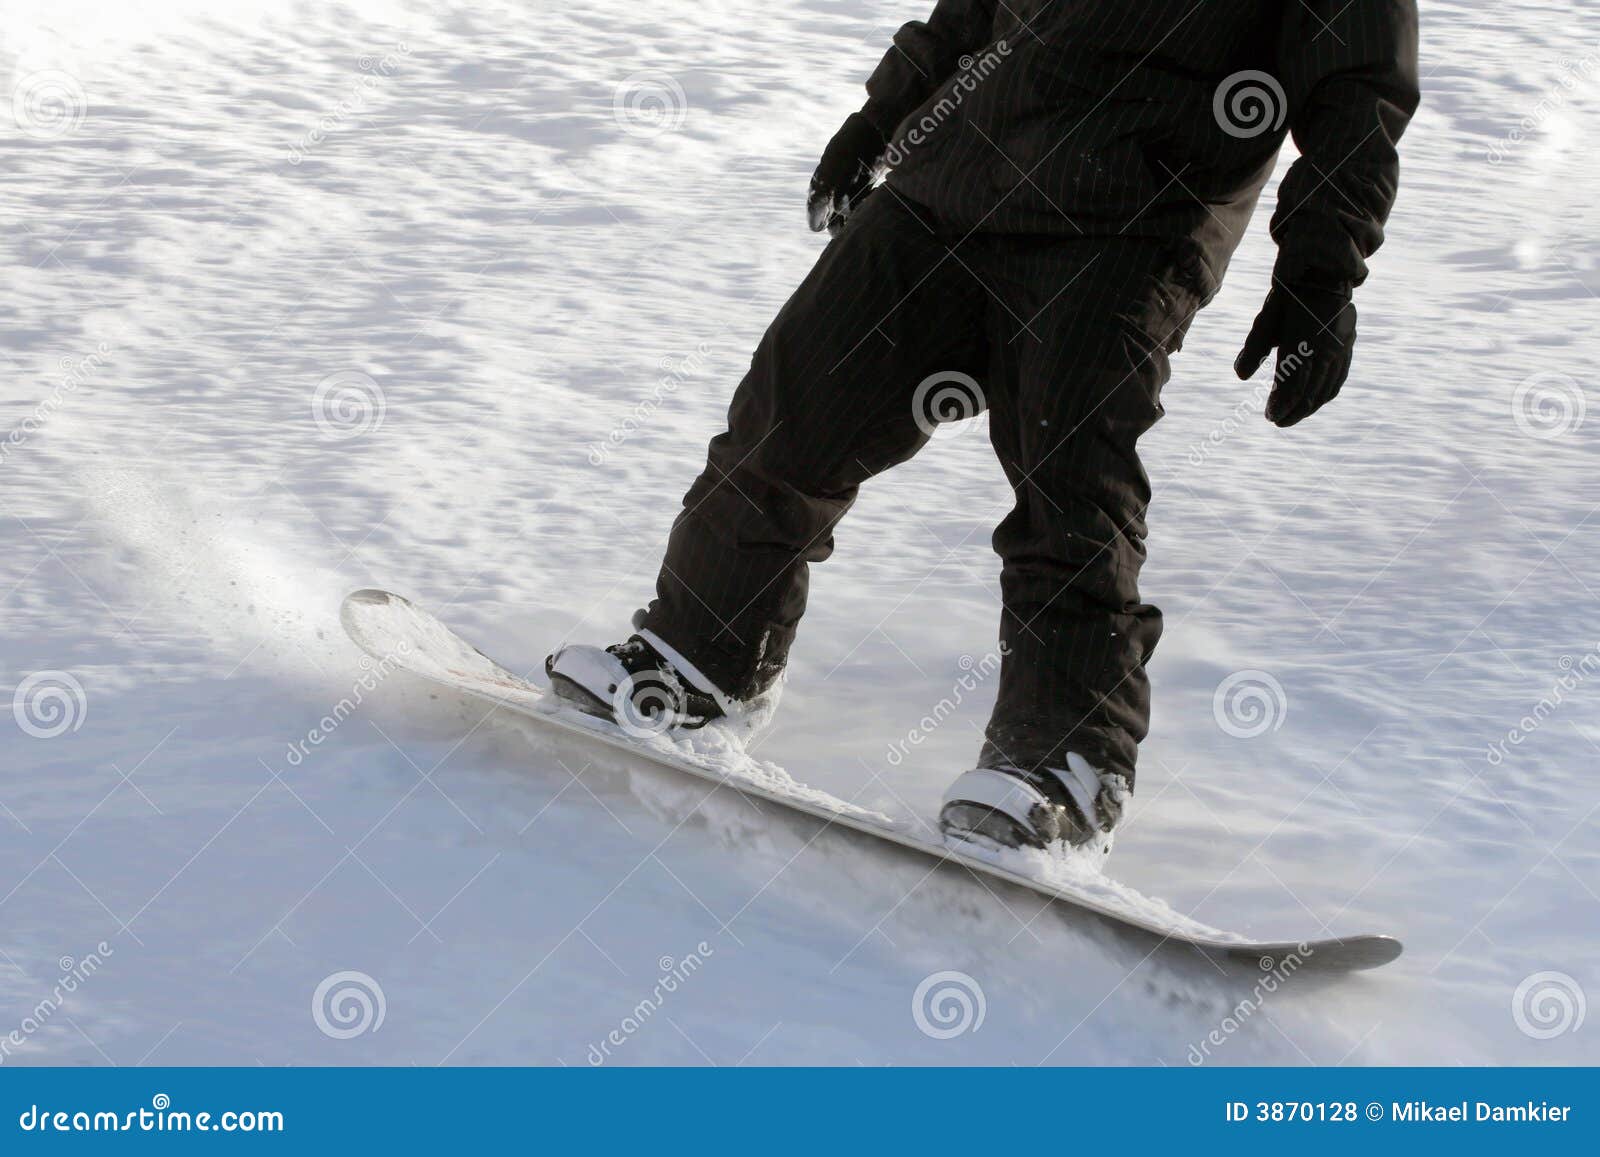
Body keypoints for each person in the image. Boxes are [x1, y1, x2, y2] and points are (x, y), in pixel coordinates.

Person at [548, 0, 1420, 855]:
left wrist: (1322, 274)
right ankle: (699, 659)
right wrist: (882, 118)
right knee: (796, 407)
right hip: (953, 183)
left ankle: (1064, 765)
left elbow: (1358, 84)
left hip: (1128, 220)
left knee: (1070, 481)